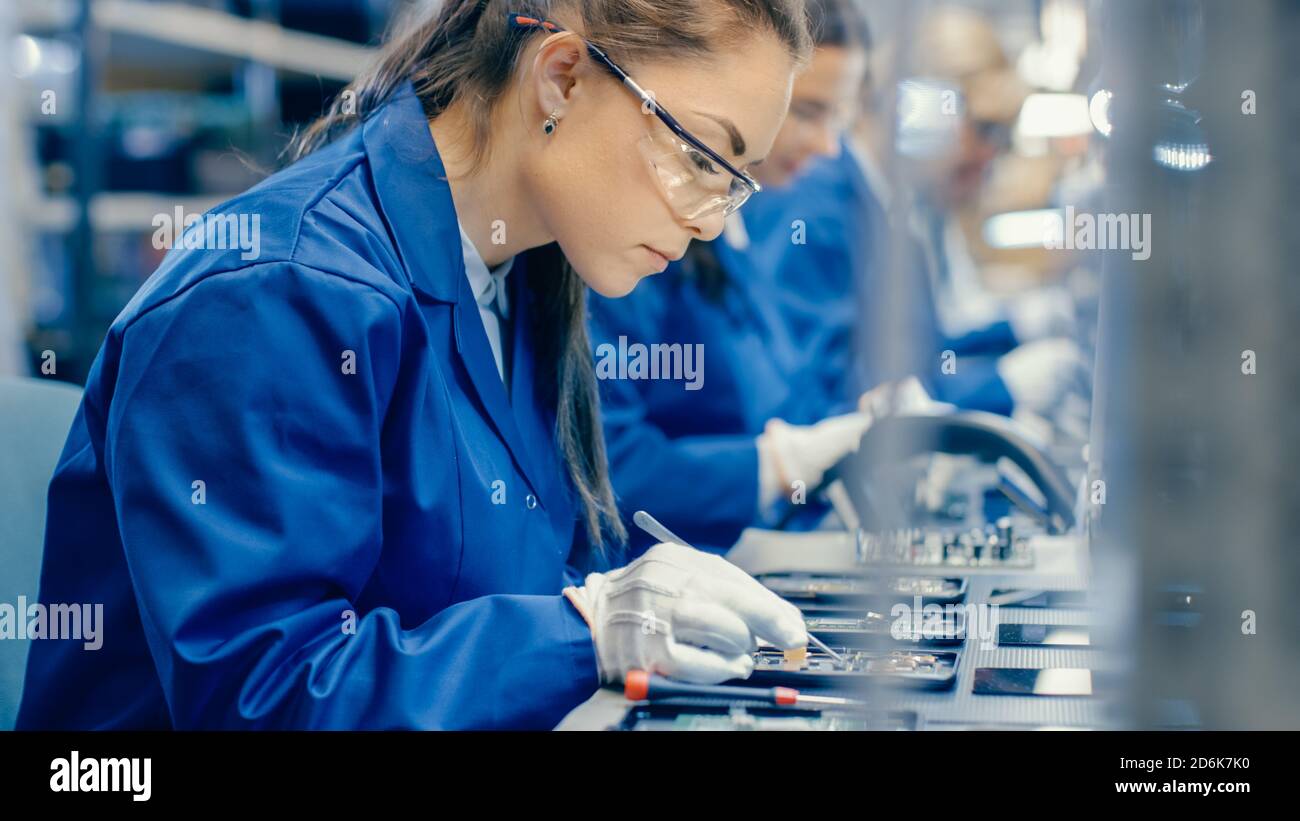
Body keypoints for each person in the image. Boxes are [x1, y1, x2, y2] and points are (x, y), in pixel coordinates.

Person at [16, 0, 813, 731]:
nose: (710, 223)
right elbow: (268, 697)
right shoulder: (276, 290)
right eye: (702, 157)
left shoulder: (523, 274)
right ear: (562, 78)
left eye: (733, 186)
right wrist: (586, 631)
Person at [587, 0, 915, 554]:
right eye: (809, 112)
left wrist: (845, 428)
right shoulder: (628, 241)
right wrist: (775, 466)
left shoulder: (734, 235)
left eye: (840, 117)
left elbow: (784, 391)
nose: (828, 147)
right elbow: (607, 463)